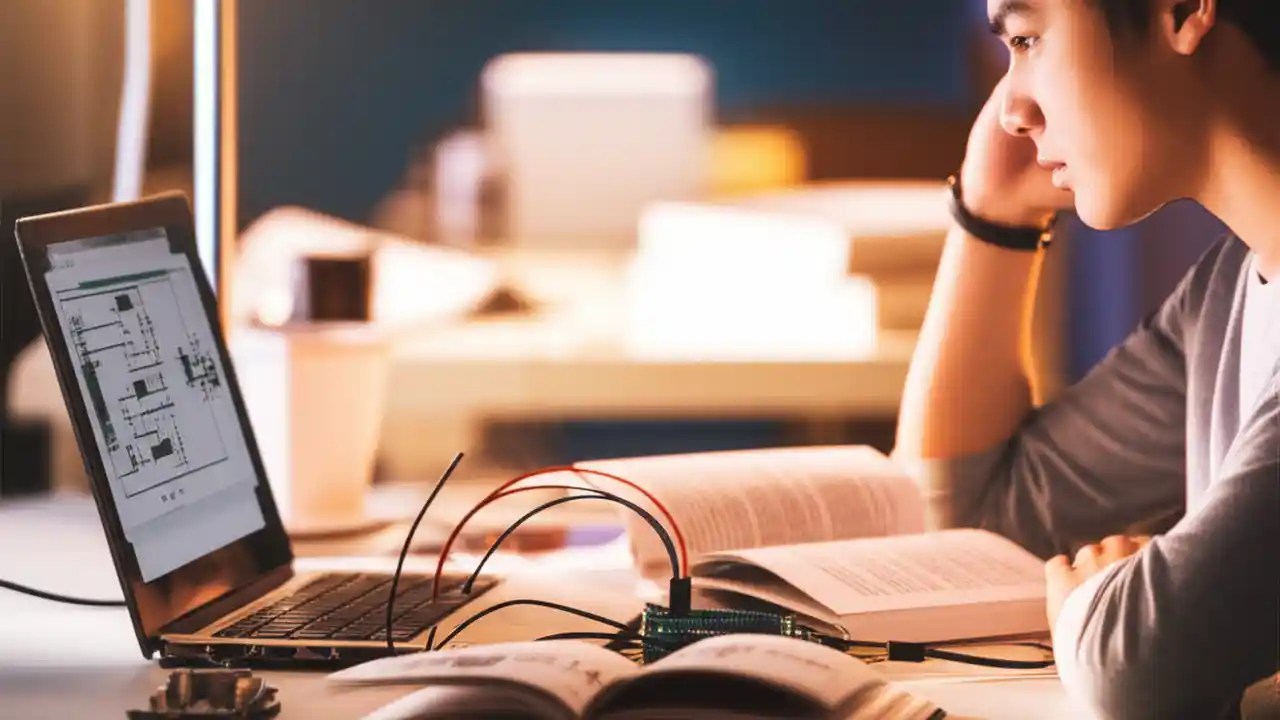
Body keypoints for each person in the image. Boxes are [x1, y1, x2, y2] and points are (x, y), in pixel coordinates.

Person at [892, 0, 1279, 717]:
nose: (1010, 108)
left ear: (1183, 11)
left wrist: (1099, 603)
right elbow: (977, 533)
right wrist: (992, 213)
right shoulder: (1226, 294)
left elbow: (1140, 665)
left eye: (1028, 38)